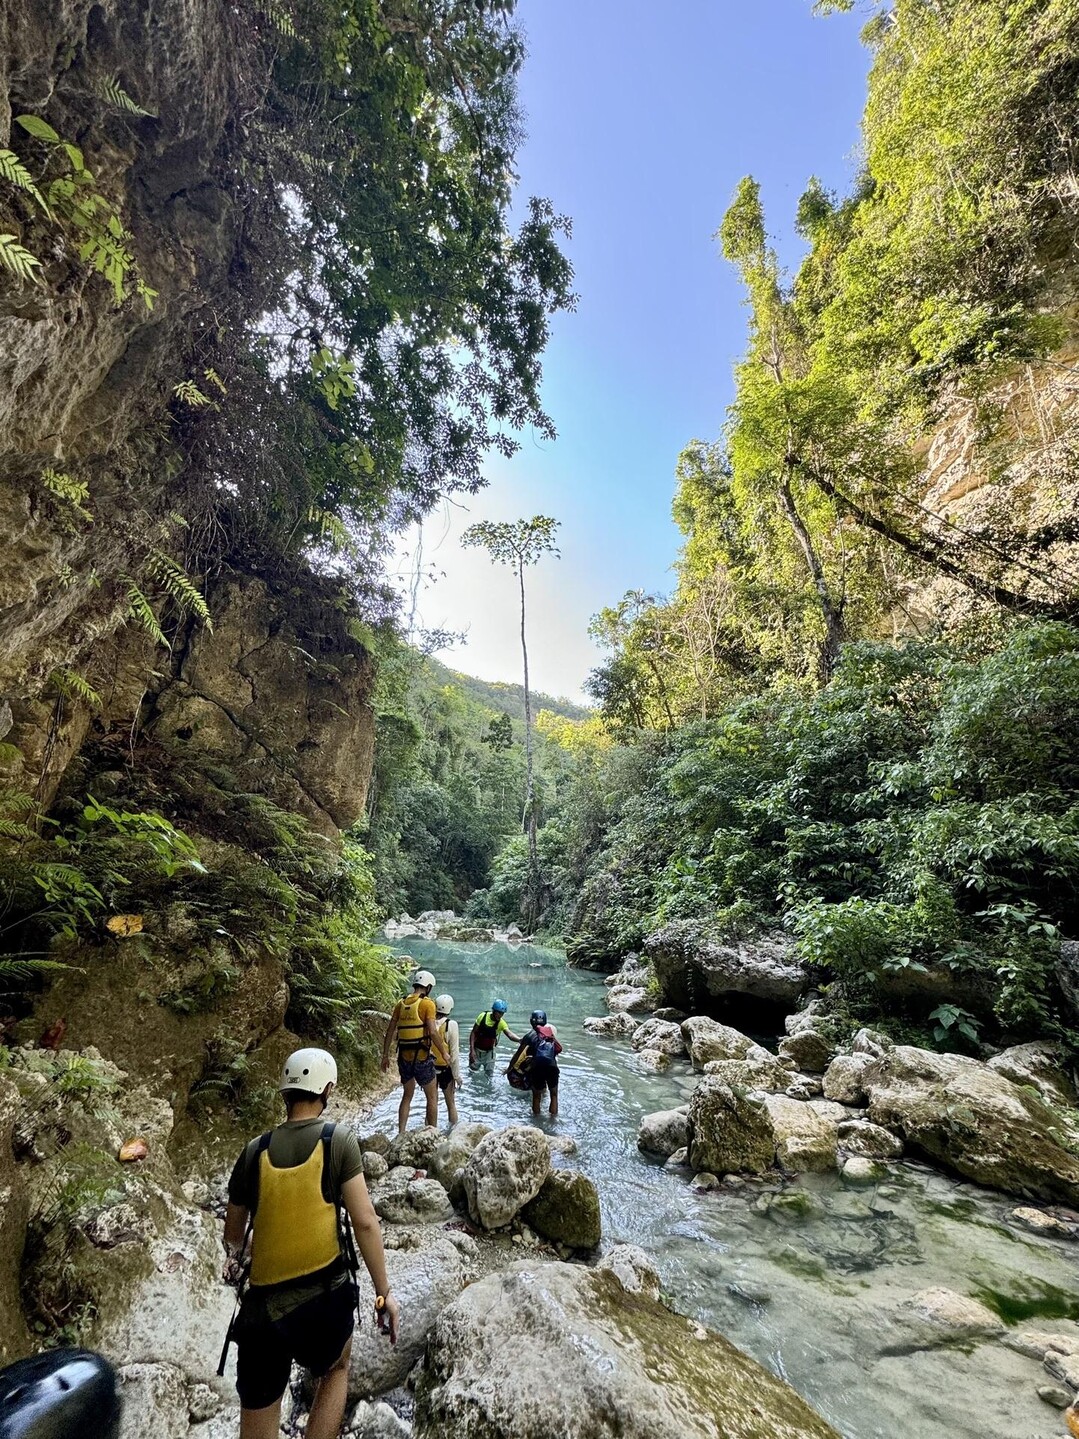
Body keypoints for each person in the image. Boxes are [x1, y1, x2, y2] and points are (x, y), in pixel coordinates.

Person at [221, 1047, 400, 1439]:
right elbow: (365, 1222)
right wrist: (384, 1294)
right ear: (328, 1089)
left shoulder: (253, 1151)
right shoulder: (338, 1141)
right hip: (324, 1300)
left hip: (263, 1312)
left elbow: (232, 1238)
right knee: (336, 1368)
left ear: (285, 1093)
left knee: (258, 1412)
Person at [381, 969, 451, 1133]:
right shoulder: (427, 1004)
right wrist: (445, 1053)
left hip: (404, 1058)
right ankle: (432, 1133)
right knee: (432, 1097)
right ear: (428, 987)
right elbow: (433, 1032)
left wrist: (385, 1056)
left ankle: (401, 1132)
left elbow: (390, 1030)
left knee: (407, 1096)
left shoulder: (401, 1003)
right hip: (422, 1059)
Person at [508, 1009, 562, 1119]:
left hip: (537, 1068)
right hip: (552, 1066)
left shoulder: (529, 1035)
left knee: (536, 1096)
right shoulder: (550, 1032)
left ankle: (536, 1122)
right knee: (554, 1095)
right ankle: (553, 1121)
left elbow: (518, 1055)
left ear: (532, 1021)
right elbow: (557, 1050)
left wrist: (509, 1068)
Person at [468, 998, 521, 1076]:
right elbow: (473, 1033)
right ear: (493, 1011)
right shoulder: (482, 1016)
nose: (500, 1015)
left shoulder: (501, 1023)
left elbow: (510, 1035)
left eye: (502, 1013)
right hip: (477, 1050)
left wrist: (520, 1040)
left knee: (489, 1075)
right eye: (498, 1013)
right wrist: (472, 1051)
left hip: (490, 1053)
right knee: (472, 1071)